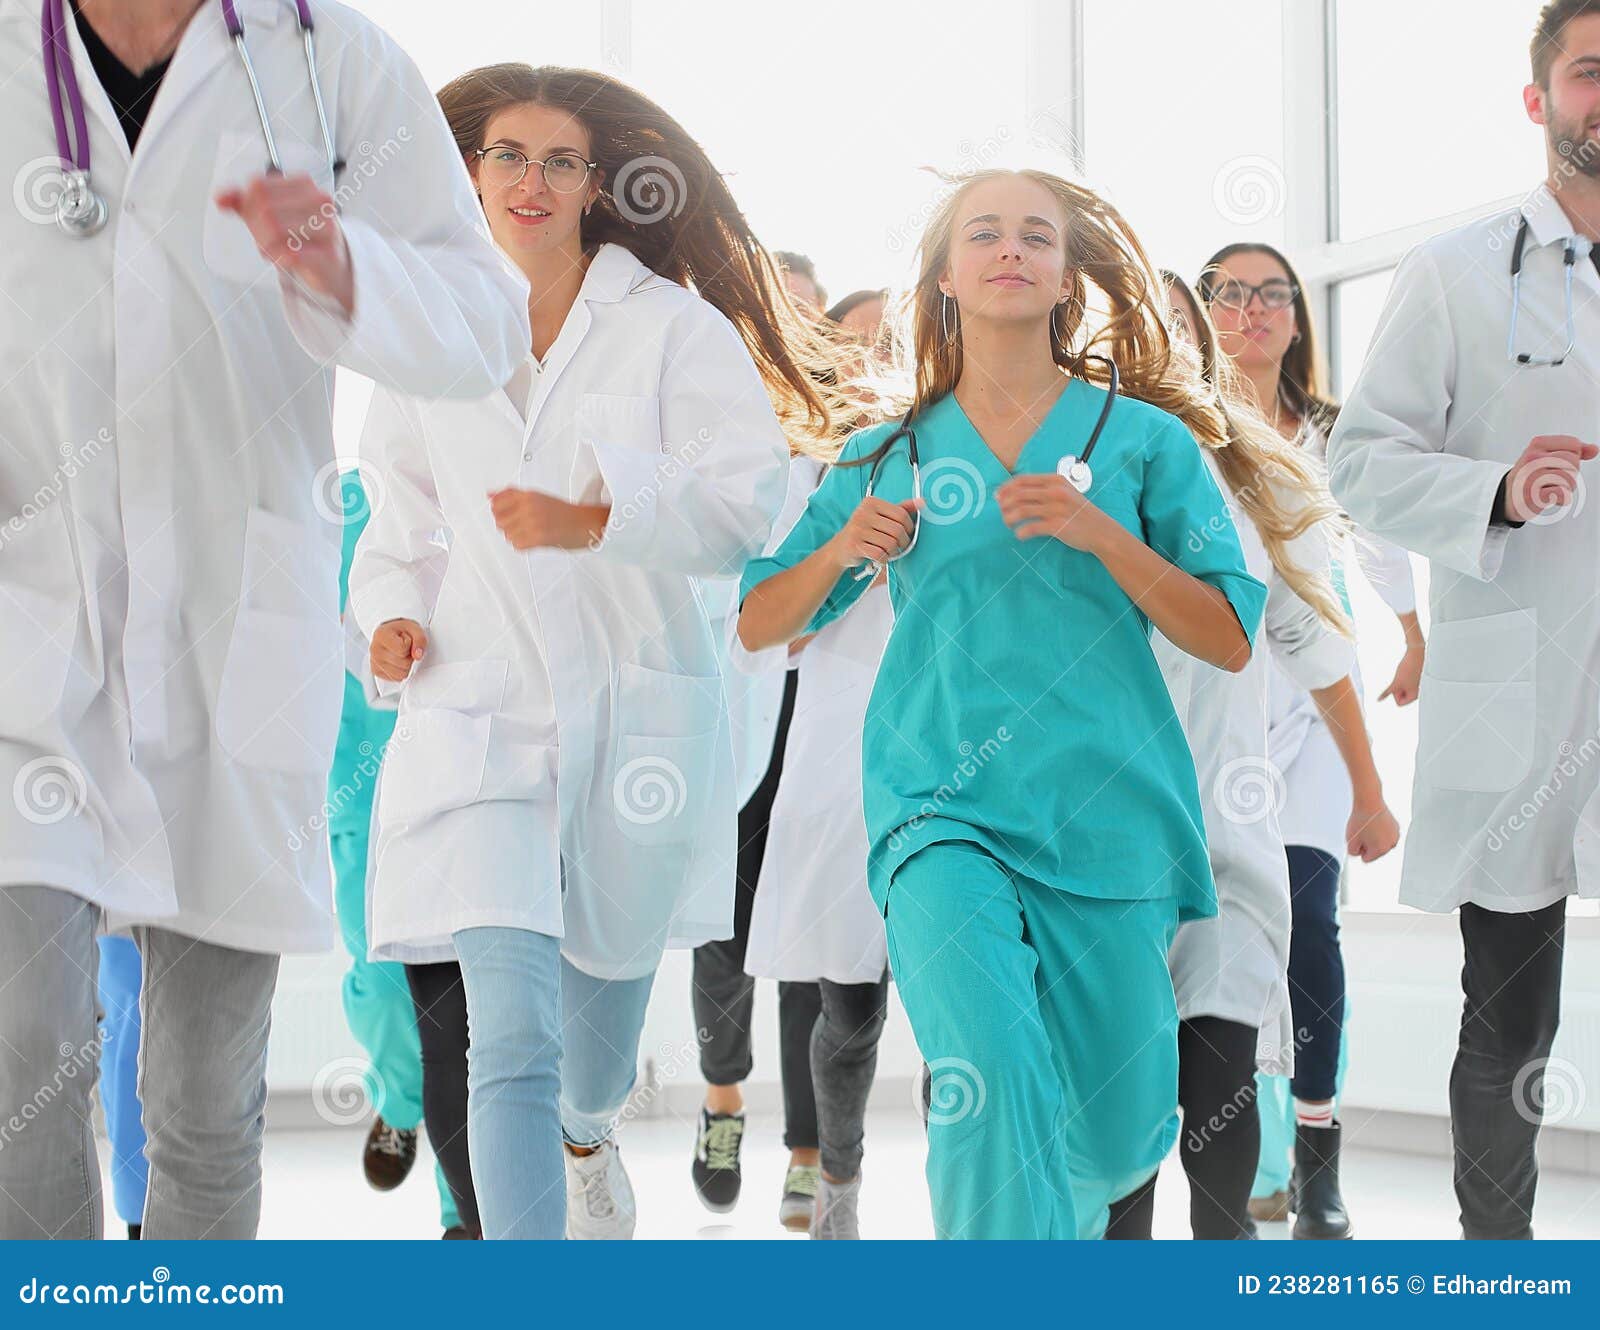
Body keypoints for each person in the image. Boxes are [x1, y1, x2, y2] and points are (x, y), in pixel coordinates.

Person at [0, 0, 527, 1239]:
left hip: (237, 624)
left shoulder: (333, 60)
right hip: (26, 617)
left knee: (201, 1096)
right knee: (19, 1060)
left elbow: (485, 322)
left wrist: (345, 260)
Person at [352, 63, 857, 1241]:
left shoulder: (671, 327)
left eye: (558, 161)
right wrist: (389, 616)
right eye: (506, 157)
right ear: (467, 174)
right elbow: (397, 518)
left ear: (594, 184)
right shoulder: (428, 333)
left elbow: (742, 503)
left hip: (635, 722)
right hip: (473, 716)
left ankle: (589, 1137)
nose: (530, 181)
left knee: (593, 1043)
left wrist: (600, 518)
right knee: (509, 1034)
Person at [736, 167, 1268, 1240]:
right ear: (943, 274)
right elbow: (761, 620)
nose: (1010, 249)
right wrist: (845, 544)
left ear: (1069, 277)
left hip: (1107, 814)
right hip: (940, 807)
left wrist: (1101, 533)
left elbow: (1226, 632)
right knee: (984, 1065)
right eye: (983, 233)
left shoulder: (1147, 442)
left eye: (1036, 235)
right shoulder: (889, 450)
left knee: (1120, 1136)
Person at [1325, 0, 1600, 1240]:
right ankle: (1500, 1272)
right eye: (1591, 72)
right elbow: (1361, 463)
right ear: (1538, 99)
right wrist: (1491, 485)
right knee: (1508, 1012)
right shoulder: (1457, 269)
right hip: (1522, 688)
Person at [1158, 272, 1388, 1239]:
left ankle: (1276, 1196)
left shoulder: (1273, 466)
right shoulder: (1051, 464)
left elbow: (1325, 637)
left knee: (1272, 978)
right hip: (1110, 810)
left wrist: (1371, 789)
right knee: (1127, 1078)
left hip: (1246, 780)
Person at [727, 456, 895, 1239]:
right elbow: (763, 626)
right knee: (850, 1009)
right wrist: (846, 553)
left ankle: (974, 1212)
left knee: (967, 1011)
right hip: (848, 759)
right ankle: (839, 1180)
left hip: (972, 759)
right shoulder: (849, 471)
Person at [328, 470, 464, 1237]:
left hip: (458, 776)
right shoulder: (339, 498)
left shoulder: (484, 475)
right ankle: (400, 1097)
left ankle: (459, 1215)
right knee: (378, 983)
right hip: (358, 781)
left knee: (457, 1007)